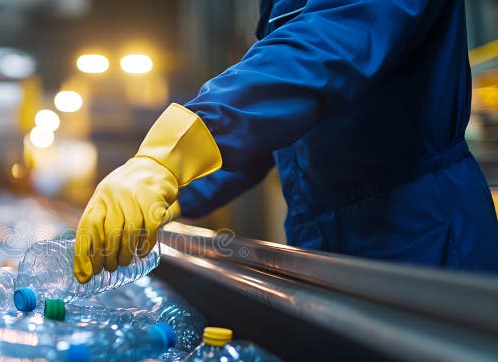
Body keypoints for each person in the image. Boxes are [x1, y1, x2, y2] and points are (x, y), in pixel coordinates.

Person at [73, 0, 498, 283]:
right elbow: (278, 127)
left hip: (421, 233)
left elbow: (324, 48)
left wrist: (168, 157)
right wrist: (173, 195)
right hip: (326, 240)